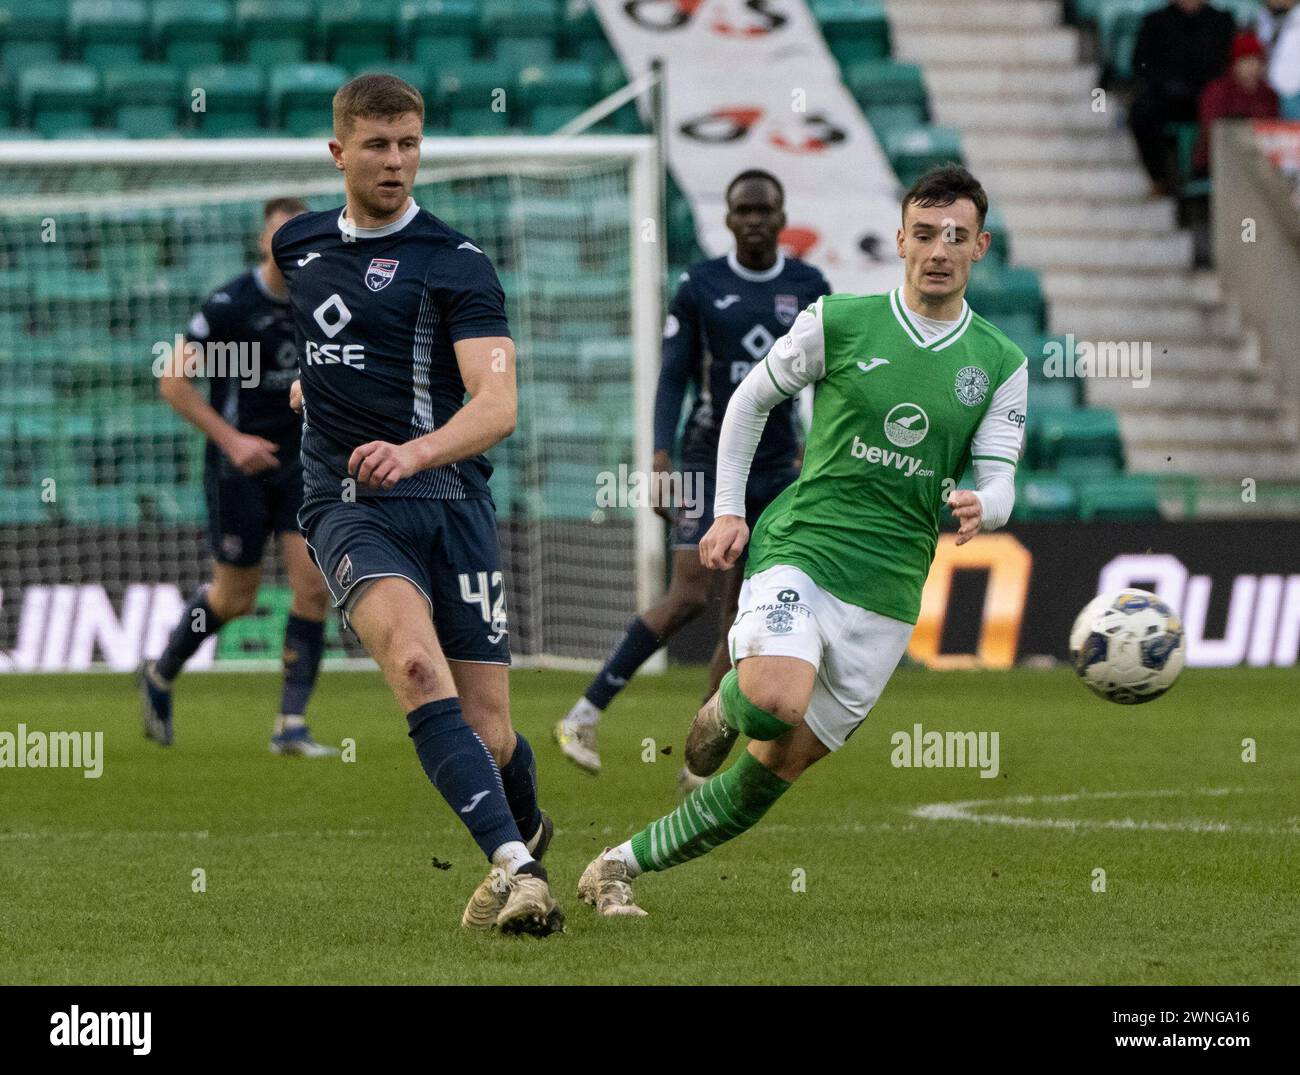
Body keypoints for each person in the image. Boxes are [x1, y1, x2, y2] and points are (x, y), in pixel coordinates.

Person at [576, 165, 1028, 917]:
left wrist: (988, 503)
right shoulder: (840, 320)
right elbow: (750, 400)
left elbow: (1001, 474)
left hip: (888, 586)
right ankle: (725, 703)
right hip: (806, 543)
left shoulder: (1000, 363)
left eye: (956, 235)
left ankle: (616, 866)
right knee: (775, 699)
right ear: (901, 241)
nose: (939, 249)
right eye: (924, 233)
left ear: (979, 246)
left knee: (774, 771)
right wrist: (727, 511)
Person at [273, 74, 561, 935]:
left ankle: (527, 825)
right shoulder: (298, 245)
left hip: (451, 499)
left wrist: (415, 450)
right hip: (346, 502)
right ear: (340, 153)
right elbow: (330, 338)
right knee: (411, 666)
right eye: (377, 145)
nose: (396, 160)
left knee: (491, 733)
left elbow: (497, 406)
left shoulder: (456, 262)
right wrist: (311, 391)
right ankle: (521, 870)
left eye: (409, 144)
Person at [553, 171, 830, 788]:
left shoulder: (809, 286)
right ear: (728, 219)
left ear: (782, 215)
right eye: (743, 210)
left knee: (744, 617)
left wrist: (820, 443)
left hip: (779, 466)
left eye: (765, 209)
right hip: (706, 459)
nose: (755, 219)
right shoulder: (700, 285)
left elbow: (826, 376)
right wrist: (658, 456)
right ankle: (583, 714)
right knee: (692, 594)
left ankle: (699, 764)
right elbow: (673, 375)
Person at [138, 198, 336, 757]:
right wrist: (233, 440)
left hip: (302, 464)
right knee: (235, 597)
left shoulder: (322, 302)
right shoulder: (230, 304)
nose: (286, 246)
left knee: (313, 588)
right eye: (277, 234)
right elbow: (173, 382)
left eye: (296, 235)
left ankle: (290, 724)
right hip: (237, 469)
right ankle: (162, 672)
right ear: (261, 241)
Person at [1128, 0, 1236, 194]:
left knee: (1225, 107)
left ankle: (1208, 175)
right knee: (1141, 111)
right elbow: (1141, 64)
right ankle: (1159, 178)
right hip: (1168, 96)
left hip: (1209, 96)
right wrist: (1165, 84)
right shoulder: (1156, 22)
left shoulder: (1221, 21)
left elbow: (1226, 65)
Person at [1196, 31, 1280, 172]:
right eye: (1245, 61)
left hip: (1259, 162)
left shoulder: (1268, 94)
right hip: (1220, 161)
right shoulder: (1217, 92)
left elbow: (1273, 128)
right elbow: (1212, 130)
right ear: (1234, 63)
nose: (1251, 66)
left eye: (1256, 60)